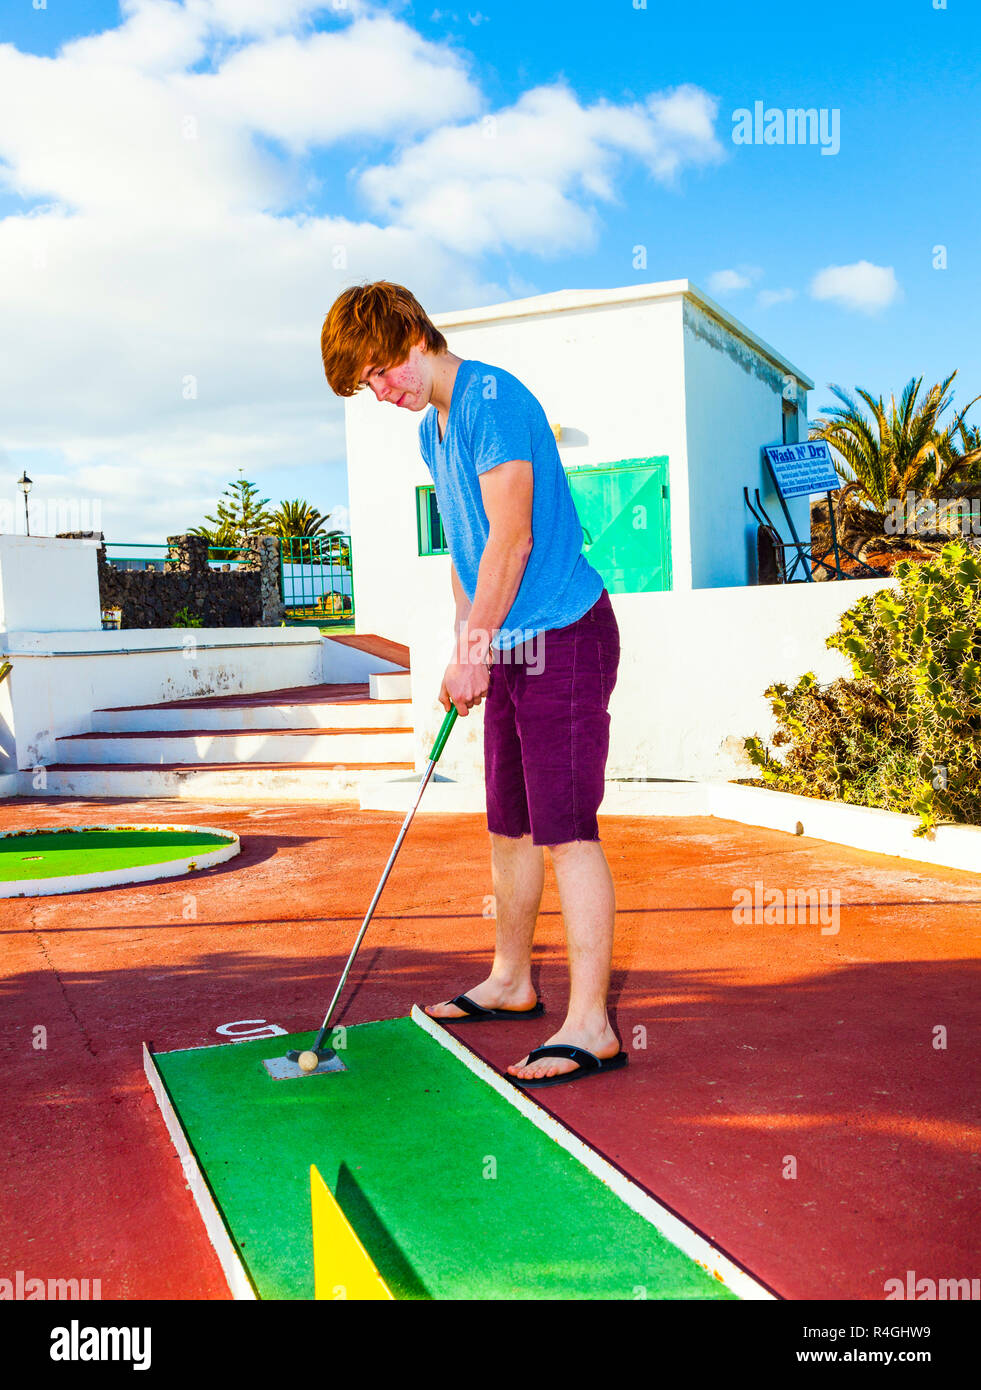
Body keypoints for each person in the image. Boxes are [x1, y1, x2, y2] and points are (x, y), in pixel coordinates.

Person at [321, 281, 626, 1088]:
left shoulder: (490, 397)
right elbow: (468, 554)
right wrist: (471, 649)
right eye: (368, 385)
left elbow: (514, 541)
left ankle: (592, 1025)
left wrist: (476, 647)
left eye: (380, 371)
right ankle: (511, 980)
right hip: (513, 647)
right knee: (511, 825)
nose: (381, 392)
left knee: (566, 829)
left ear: (412, 336)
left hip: (564, 635)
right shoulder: (435, 431)